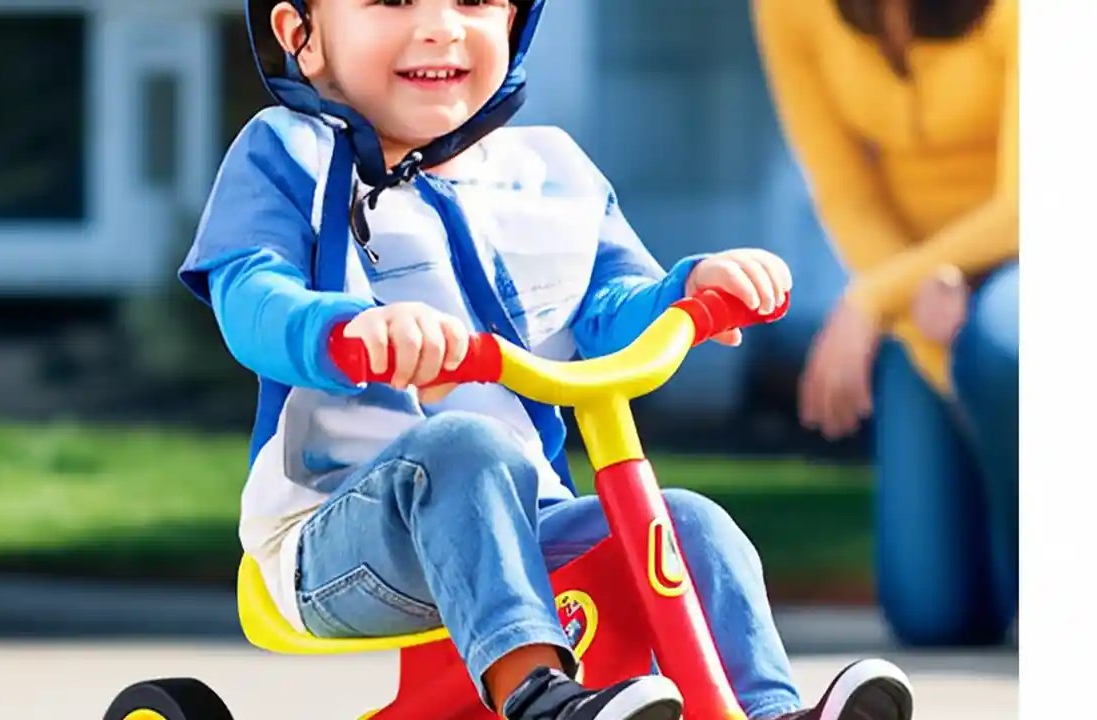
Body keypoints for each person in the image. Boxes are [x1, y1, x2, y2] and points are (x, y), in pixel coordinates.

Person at [179, 1, 917, 718]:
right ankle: (538, 696)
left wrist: (687, 291)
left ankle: (762, 709)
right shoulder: (287, 153)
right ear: (301, 34)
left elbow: (608, 312)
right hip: (337, 537)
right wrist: (347, 331)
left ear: (514, 19)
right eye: (393, 0)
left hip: (529, 526)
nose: (440, 26)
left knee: (686, 526)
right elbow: (250, 294)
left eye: (474, 0)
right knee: (462, 448)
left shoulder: (551, 172)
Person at [752, 0, 1018, 646]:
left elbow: (1030, 202)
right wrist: (920, 317)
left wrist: (873, 302)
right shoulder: (786, 9)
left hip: (1033, 267)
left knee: (1007, 344)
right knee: (931, 614)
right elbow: (844, 191)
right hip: (917, 298)